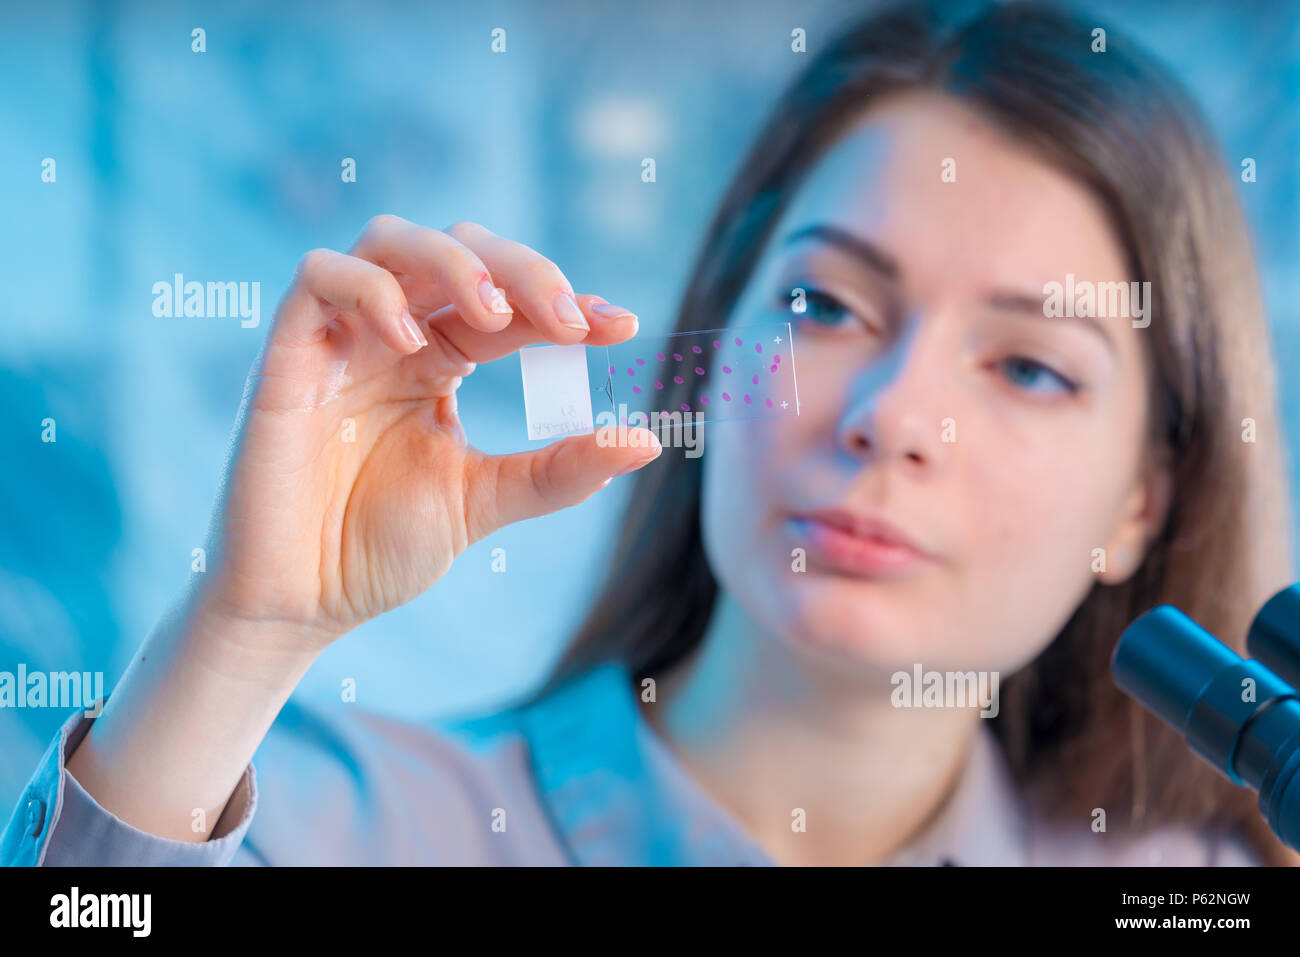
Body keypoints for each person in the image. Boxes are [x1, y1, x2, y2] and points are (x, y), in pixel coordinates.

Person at [5, 0, 1298, 866]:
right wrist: (246, 629)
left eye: (1027, 364)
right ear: (713, 343)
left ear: (1147, 498)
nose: (891, 414)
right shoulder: (339, 820)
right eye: (825, 303)